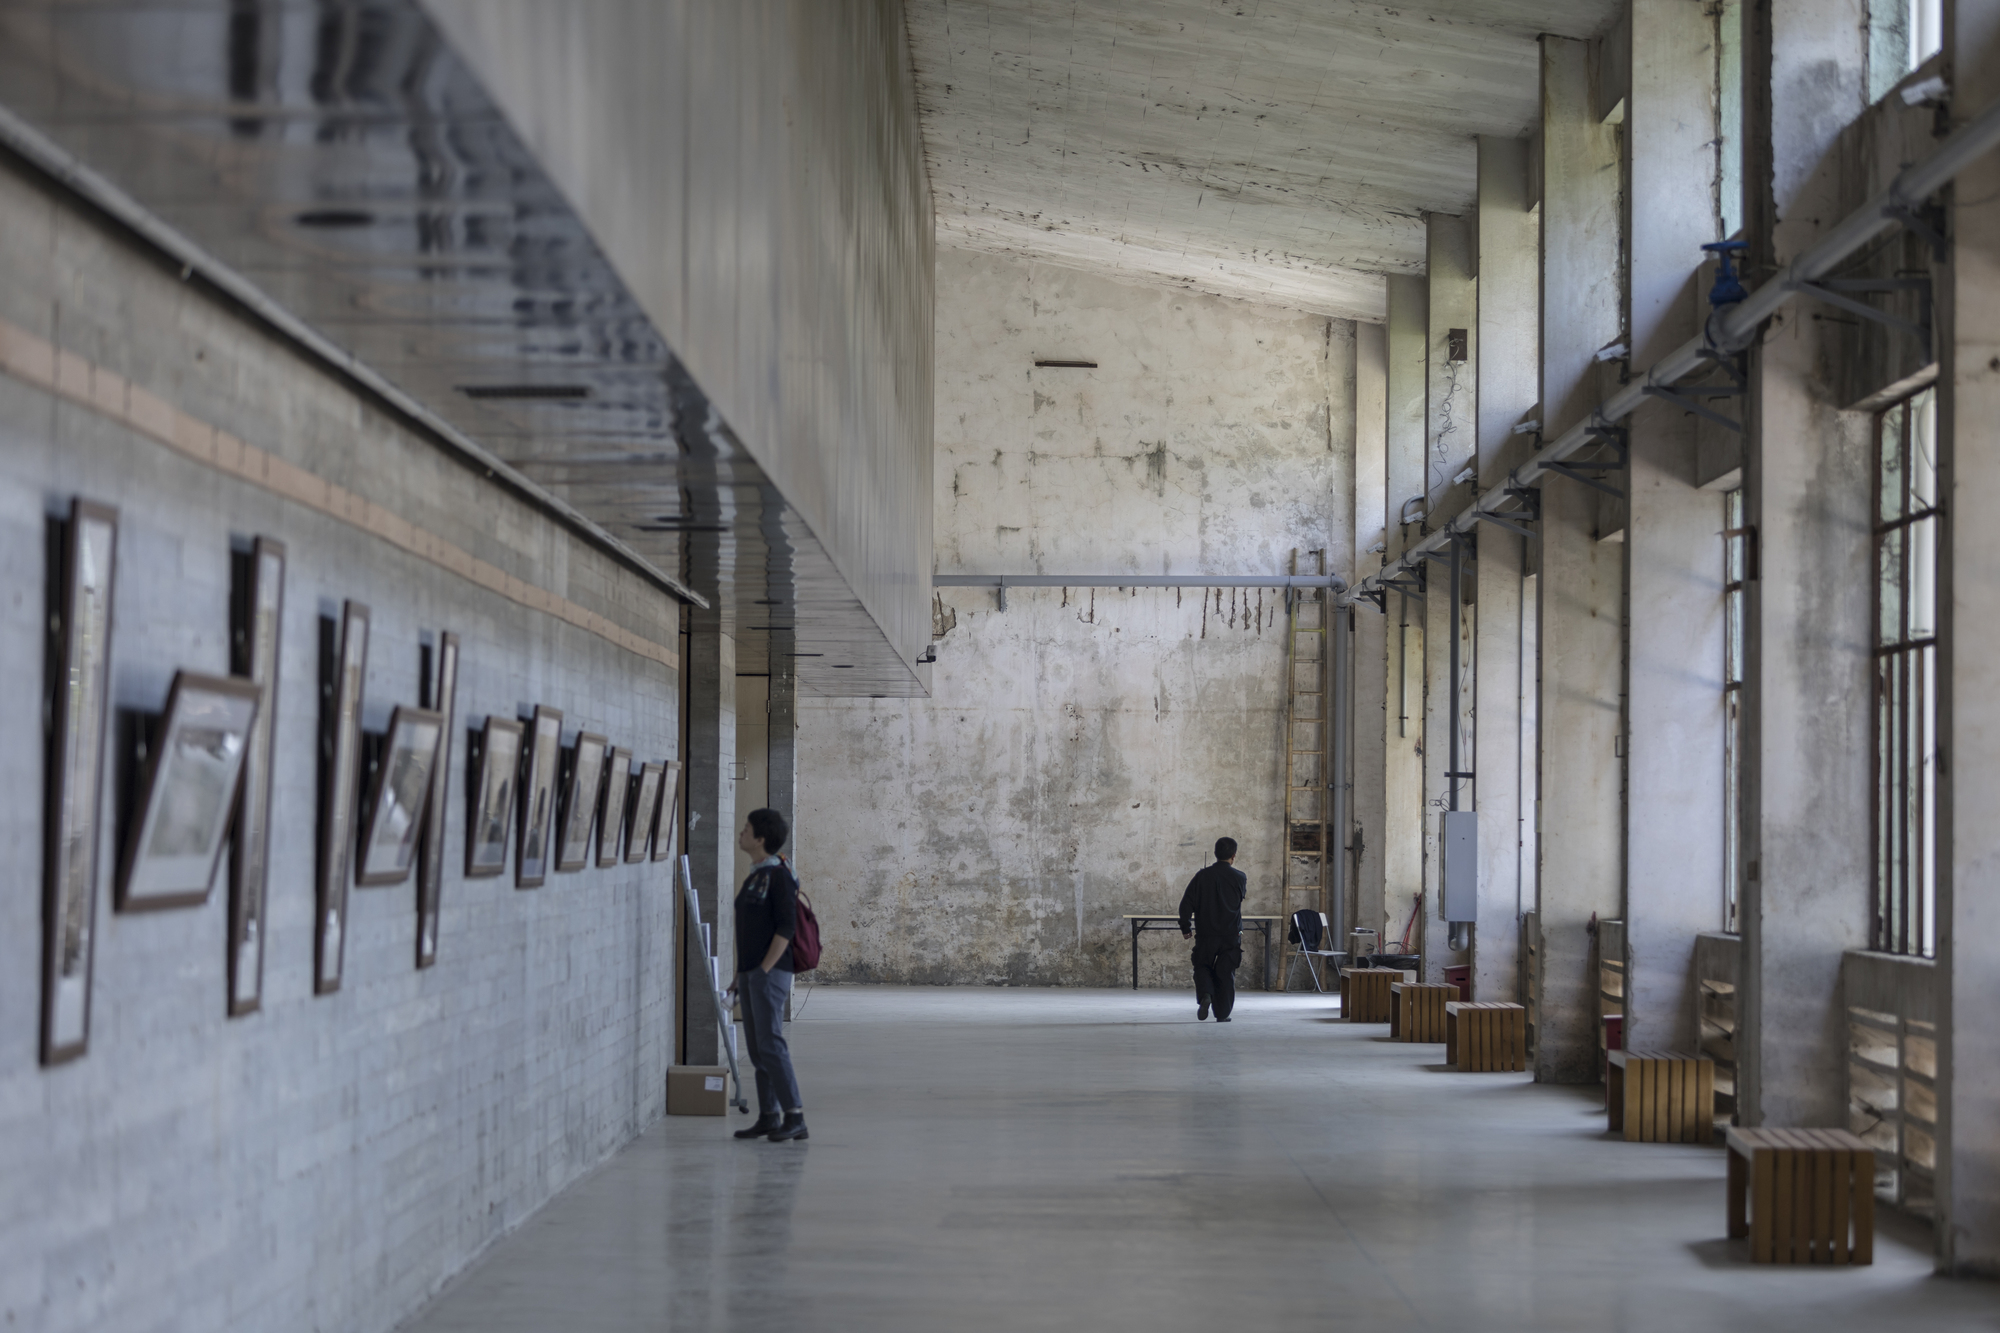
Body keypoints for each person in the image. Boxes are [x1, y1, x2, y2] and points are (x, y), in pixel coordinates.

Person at [728, 808, 808, 1142]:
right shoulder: (755, 875)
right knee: (757, 1049)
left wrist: (763, 970)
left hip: (770, 972)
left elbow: (786, 928)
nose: (741, 833)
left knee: (771, 1044)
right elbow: (750, 930)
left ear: (761, 838)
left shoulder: (779, 876)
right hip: (751, 972)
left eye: (746, 829)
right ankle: (769, 1116)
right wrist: (740, 974)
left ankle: (795, 1115)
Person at [1178, 837, 1247, 1022]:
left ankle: (1206, 995)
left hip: (1206, 934)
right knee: (1226, 973)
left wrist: (1185, 926)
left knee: (1202, 965)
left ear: (1215, 854)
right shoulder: (1240, 877)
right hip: (1231, 934)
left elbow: (1186, 903)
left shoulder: (1201, 876)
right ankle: (1222, 1014)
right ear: (1233, 856)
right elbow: (1239, 899)